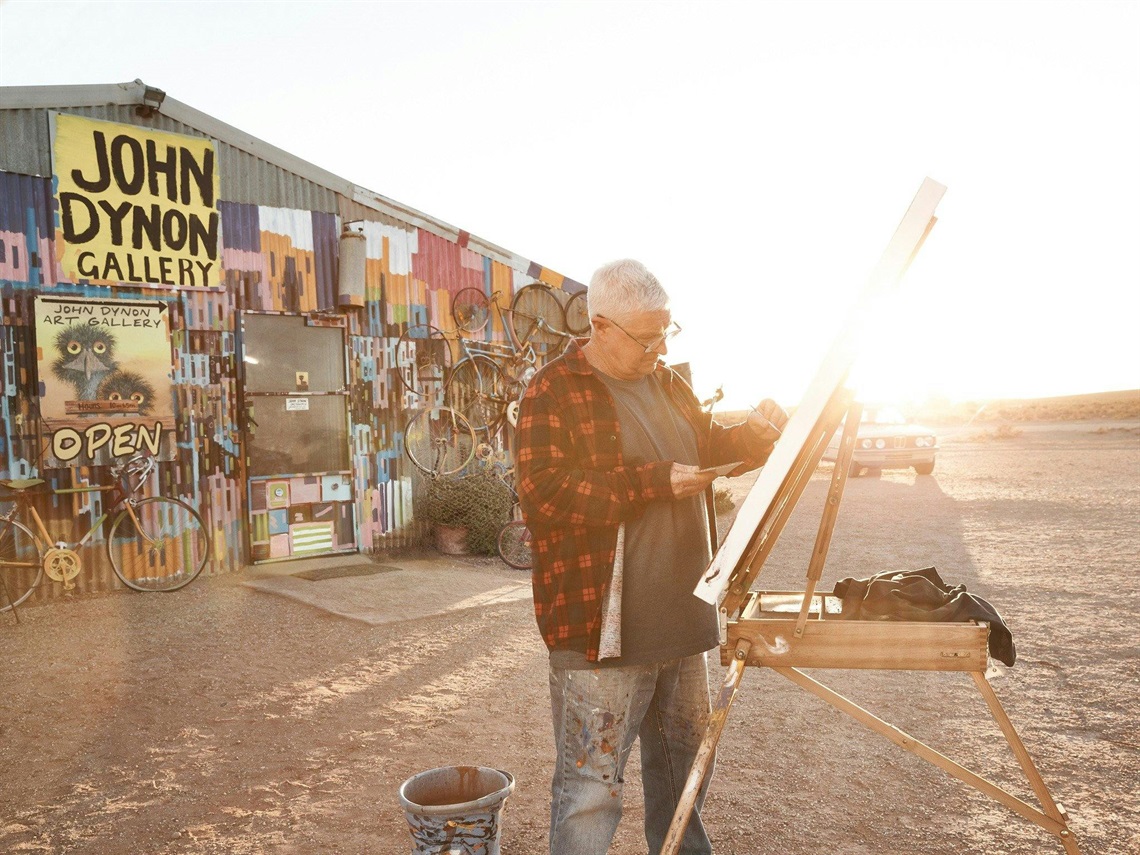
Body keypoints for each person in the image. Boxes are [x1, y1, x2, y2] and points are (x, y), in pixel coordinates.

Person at [515, 259, 788, 854]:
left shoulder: (666, 380)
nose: (659, 347)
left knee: (684, 787)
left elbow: (705, 442)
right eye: (646, 336)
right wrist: (650, 484)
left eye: (667, 331)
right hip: (602, 637)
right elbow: (544, 492)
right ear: (601, 326)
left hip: (684, 629)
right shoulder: (553, 389)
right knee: (590, 793)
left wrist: (756, 434)